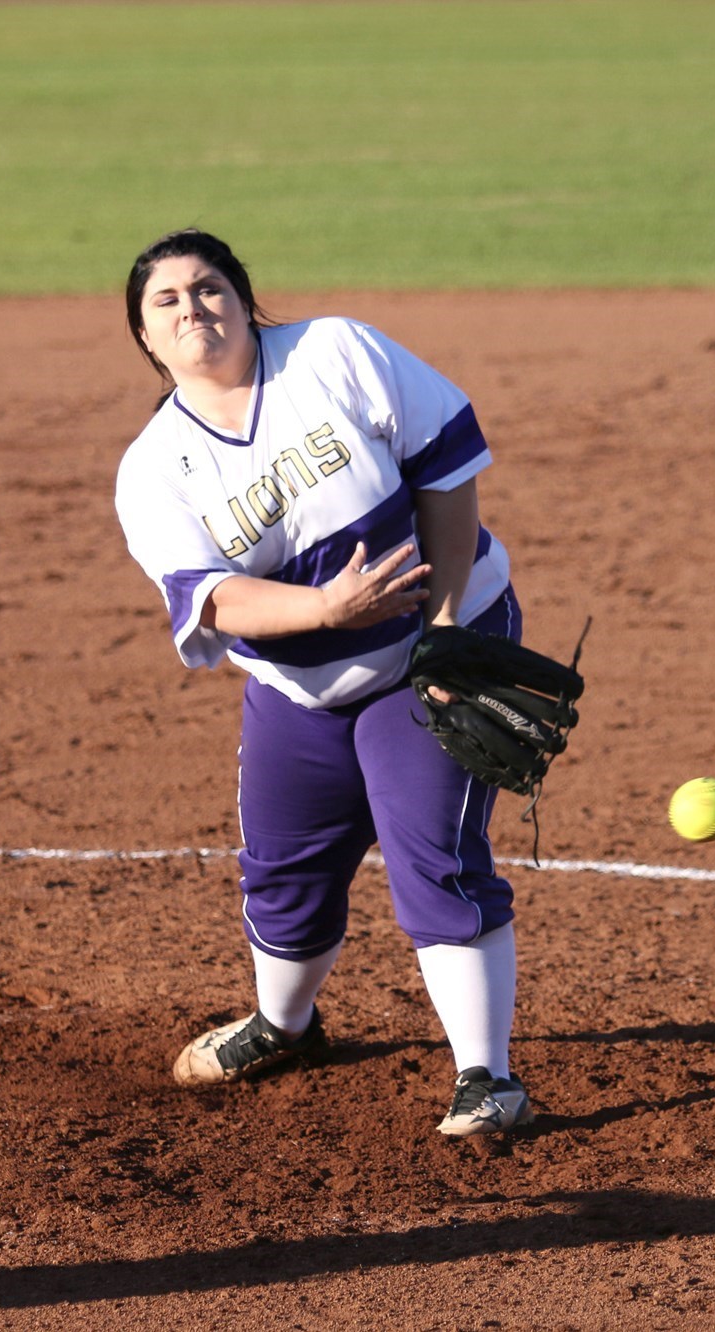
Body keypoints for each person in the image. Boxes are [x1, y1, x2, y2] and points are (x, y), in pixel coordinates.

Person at [113, 227, 533, 1137]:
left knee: (433, 853)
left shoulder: (335, 354)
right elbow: (216, 600)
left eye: (209, 286)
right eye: (166, 300)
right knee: (283, 874)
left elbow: (447, 474)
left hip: (432, 653)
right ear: (145, 336)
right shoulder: (151, 472)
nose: (193, 308)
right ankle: (284, 1026)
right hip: (298, 690)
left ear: (244, 297)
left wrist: (446, 631)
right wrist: (327, 611)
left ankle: (487, 1078)